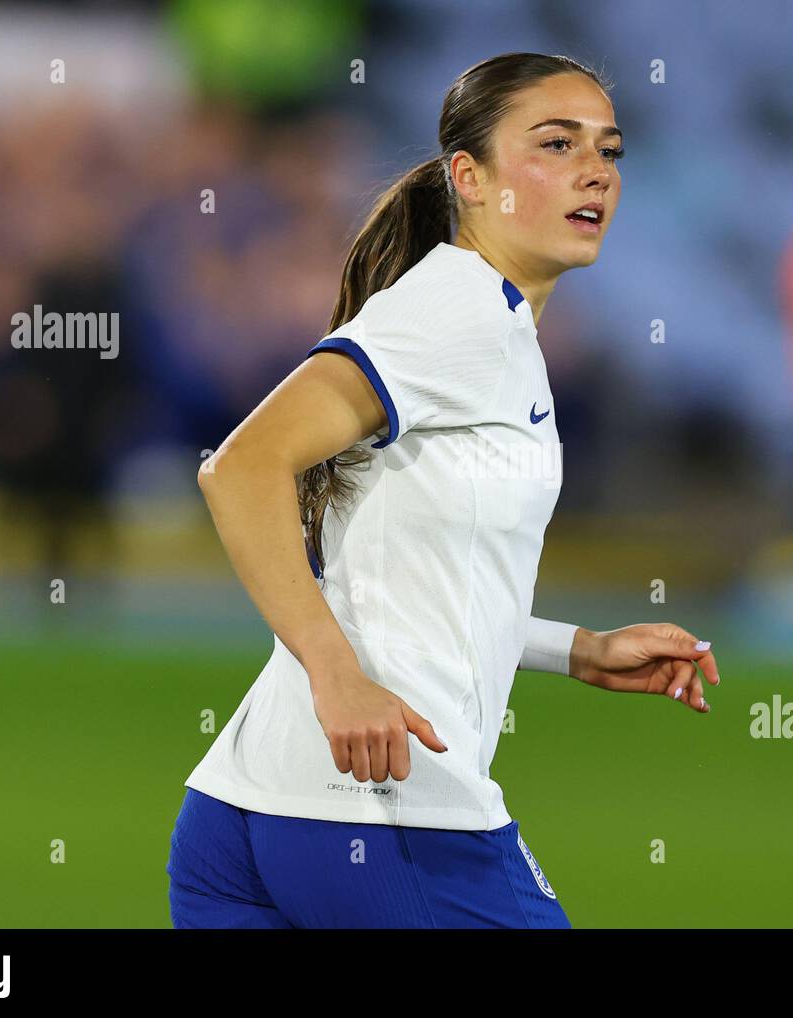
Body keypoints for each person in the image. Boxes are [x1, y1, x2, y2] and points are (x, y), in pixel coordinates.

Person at [166, 52, 720, 929]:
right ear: (469, 177)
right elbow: (239, 467)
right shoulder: (456, 311)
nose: (594, 172)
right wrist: (336, 675)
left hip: (245, 815)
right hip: (383, 815)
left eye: (609, 151)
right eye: (555, 143)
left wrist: (575, 649)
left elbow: (411, 579)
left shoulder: (492, 324)